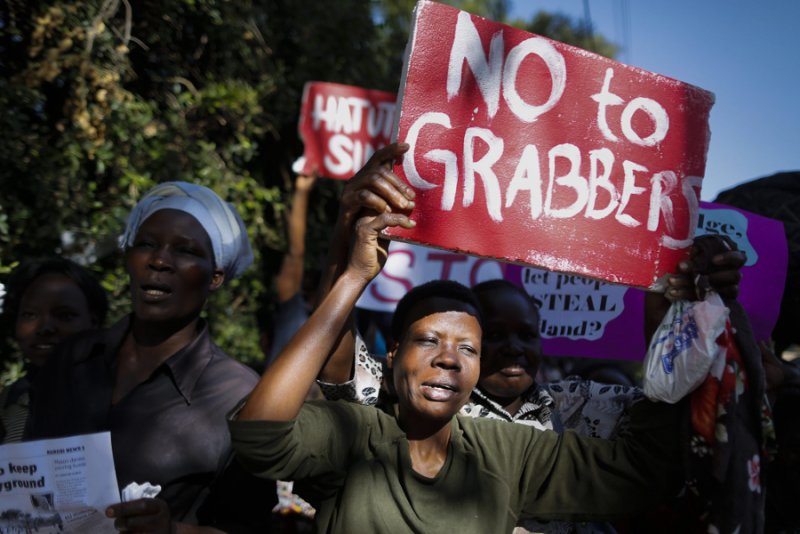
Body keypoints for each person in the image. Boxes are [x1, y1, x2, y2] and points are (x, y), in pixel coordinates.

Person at [229, 167, 686, 532]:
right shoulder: (354, 435)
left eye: (468, 348)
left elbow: (647, 473)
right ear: (390, 357)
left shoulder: (511, 454)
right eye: (428, 340)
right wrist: (352, 274)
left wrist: (666, 323)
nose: (448, 357)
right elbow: (260, 437)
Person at [27, 182, 274, 533]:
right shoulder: (72, 358)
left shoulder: (239, 395)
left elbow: (251, 526)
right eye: (146, 244)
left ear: (216, 277)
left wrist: (173, 530)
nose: (159, 260)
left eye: (186, 250)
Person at [1, 257, 108, 443]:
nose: (45, 327)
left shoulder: (121, 394)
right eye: (30, 315)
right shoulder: (8, 402)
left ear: (94, 322)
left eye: (64, 315)